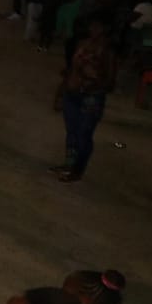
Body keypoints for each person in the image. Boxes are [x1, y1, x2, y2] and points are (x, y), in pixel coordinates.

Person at [51, 16, 116, 183]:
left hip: (91, 98)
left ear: (105, 29)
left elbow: (110, 82)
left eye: (98, 26)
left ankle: (77, 170)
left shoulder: (108, 50)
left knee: (83, 135)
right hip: (73, 94)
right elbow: (71, 69)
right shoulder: (82, 44)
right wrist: (61, 91)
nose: (93, 29)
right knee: (72, 133)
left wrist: (91, 84)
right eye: (92, 25)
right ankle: (69, 164)